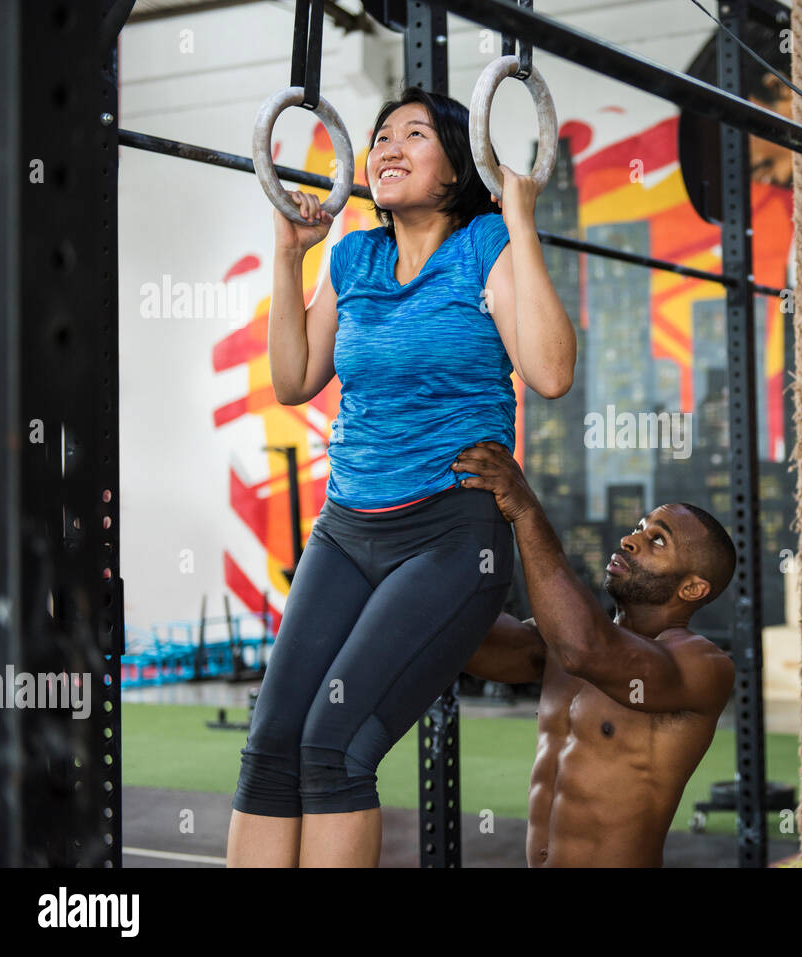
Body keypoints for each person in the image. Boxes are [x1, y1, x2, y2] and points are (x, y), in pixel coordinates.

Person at [226, 86, 576, 867]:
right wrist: (290, 256)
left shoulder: (484, 245)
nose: (387, 146)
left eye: (413, 135)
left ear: (459, 167)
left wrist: (519, 219)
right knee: (271, 742)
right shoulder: (353, 257)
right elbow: (292, 378)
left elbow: (550, 371)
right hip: (347, 530)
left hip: (450, 533)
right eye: (380, 135)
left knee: (333, 744)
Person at [454, 441, 737, 867]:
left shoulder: (704, 666)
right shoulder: (561, 643)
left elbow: (588, 652)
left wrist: (526, 511)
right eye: (639, 527)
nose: (630, 540)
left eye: (657, 540)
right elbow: (466, 642)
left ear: (692, 588)